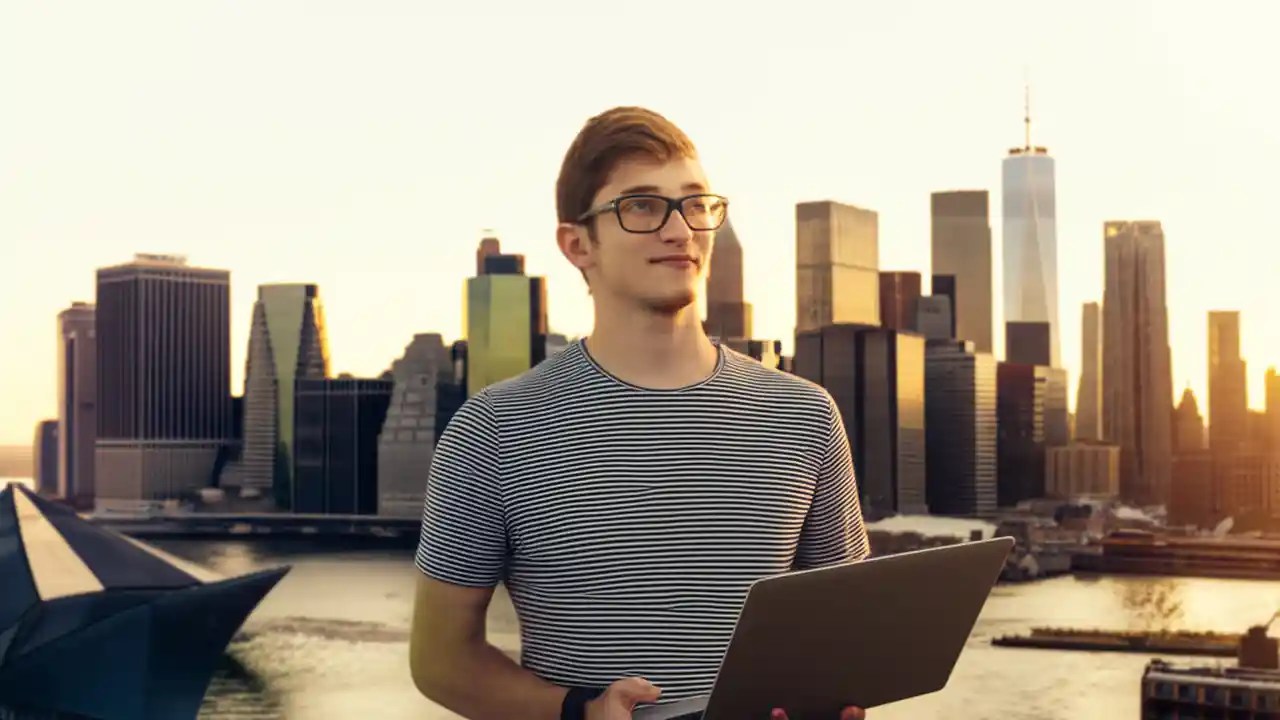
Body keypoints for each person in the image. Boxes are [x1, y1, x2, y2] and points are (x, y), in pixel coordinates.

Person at [409, 106, 870, 720]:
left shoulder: (803, 413)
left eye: (696, 203)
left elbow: (852, 633)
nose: (681, 230)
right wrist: (579, 712)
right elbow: (440, 660)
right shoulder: (495, 428)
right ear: (578, 244)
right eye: (643, 206)